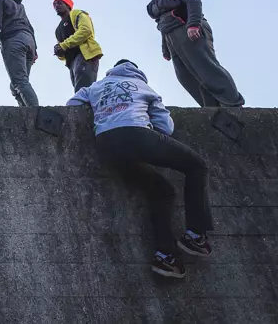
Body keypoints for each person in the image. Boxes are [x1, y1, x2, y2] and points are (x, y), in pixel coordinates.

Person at [68, 59, 213, 279]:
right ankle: (195, 234)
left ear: (111, 71)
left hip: (106, 144)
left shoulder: (96, 87)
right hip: (137, 135)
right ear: (137, 72)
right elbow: (166, 128)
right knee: (197, 166)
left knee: (162, 191)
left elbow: (72, 105)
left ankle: (166, 257)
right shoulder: (143, 87)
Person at [142, 0, 245, 107]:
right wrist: (165, 48)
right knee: (185, 75)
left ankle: (232, 103)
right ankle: (211, 107)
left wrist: (193, 24)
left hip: (186, 27)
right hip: (171, 36)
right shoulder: (155, 2)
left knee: (205, 66)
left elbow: (193, 1)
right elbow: (162, 24)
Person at [52, 0, 103, 93]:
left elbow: (86, 30)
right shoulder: (58, 30)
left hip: (85, 55)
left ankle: (83, 108)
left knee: (83, 88)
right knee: (78, 90)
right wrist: (59, 53)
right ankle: (80, 107)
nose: (56, 6)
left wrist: (63, 45)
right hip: (71, 62)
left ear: (67, 5)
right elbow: (62, 49)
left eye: (59, 3)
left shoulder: (76, 13)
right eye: (54, 5)